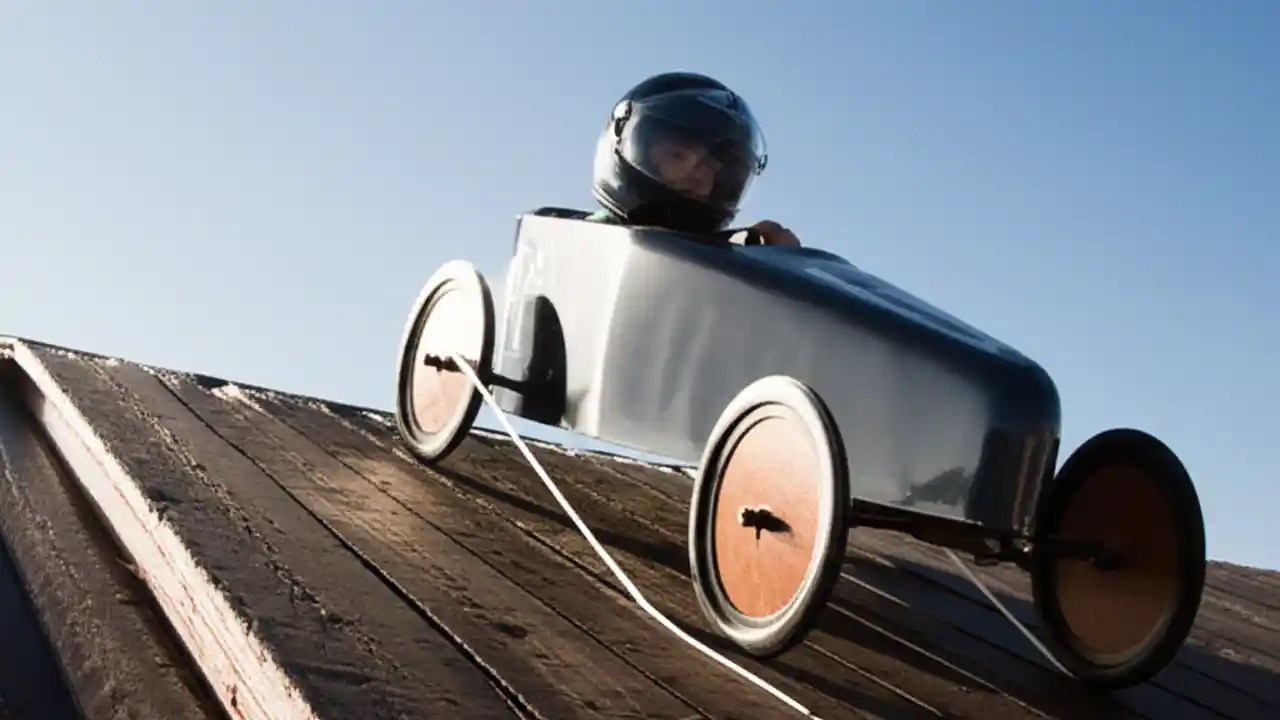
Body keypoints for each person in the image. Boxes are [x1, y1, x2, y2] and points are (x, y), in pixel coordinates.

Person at [586, 71, 801, 248]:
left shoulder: (717, 269)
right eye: (678, 156)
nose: (698, 176)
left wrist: (781, 275)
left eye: (712, 169)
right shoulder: (576, 245)